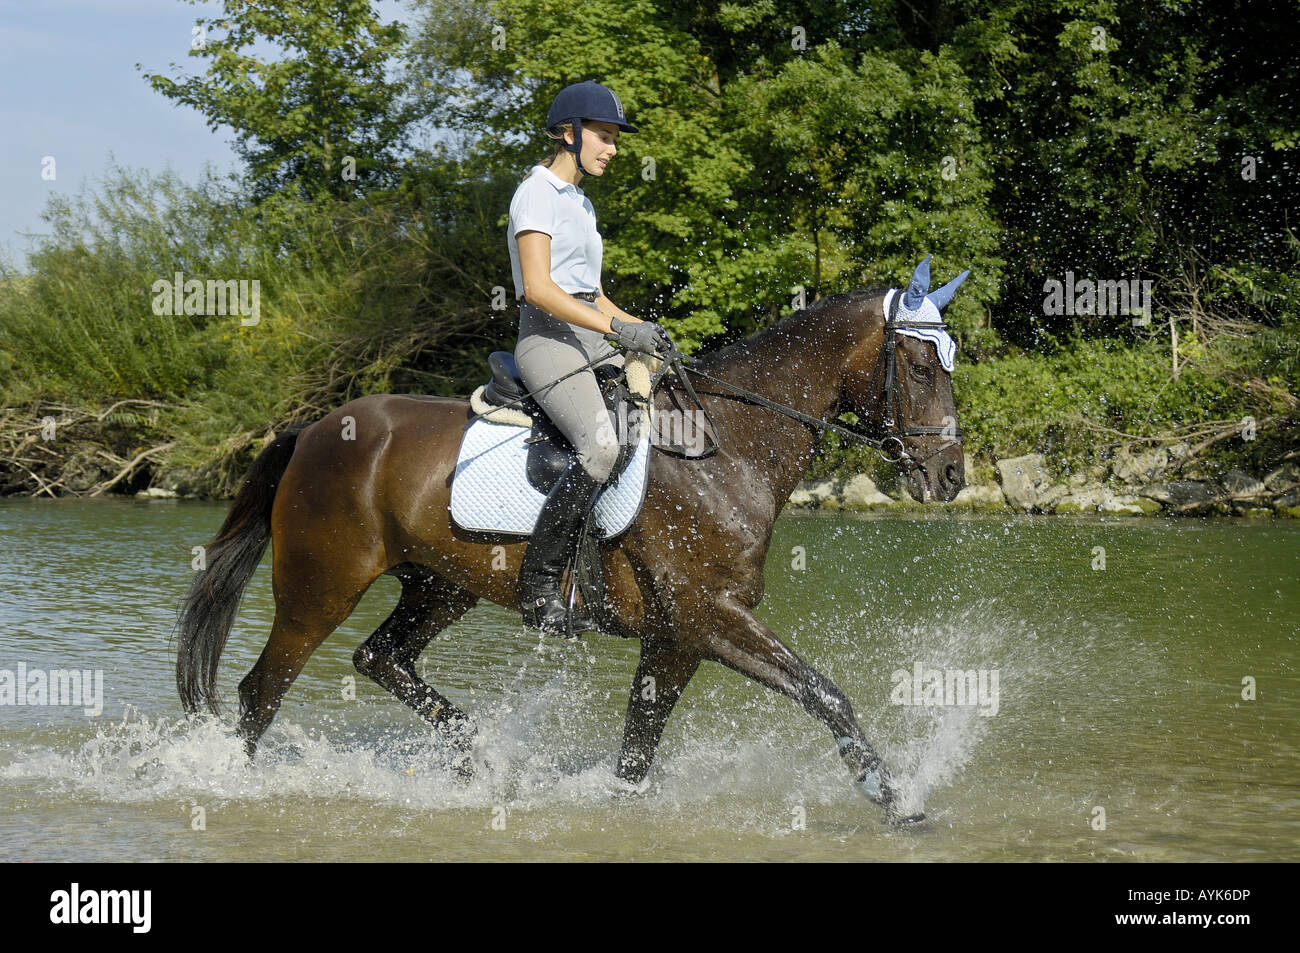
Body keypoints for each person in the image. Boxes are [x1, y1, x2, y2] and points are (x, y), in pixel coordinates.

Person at [508, 80, 671, 634]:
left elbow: (591, 292)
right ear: (569, 133)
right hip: (548, 339)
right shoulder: (537, 193)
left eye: (615, 139)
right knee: (601, 446)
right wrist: (617, 330)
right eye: (604, 136)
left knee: (663, 418)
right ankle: (538, 588)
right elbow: (539, 289)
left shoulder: (579, 201)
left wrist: (639, 330)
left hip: (589, 332)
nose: (613, 149)